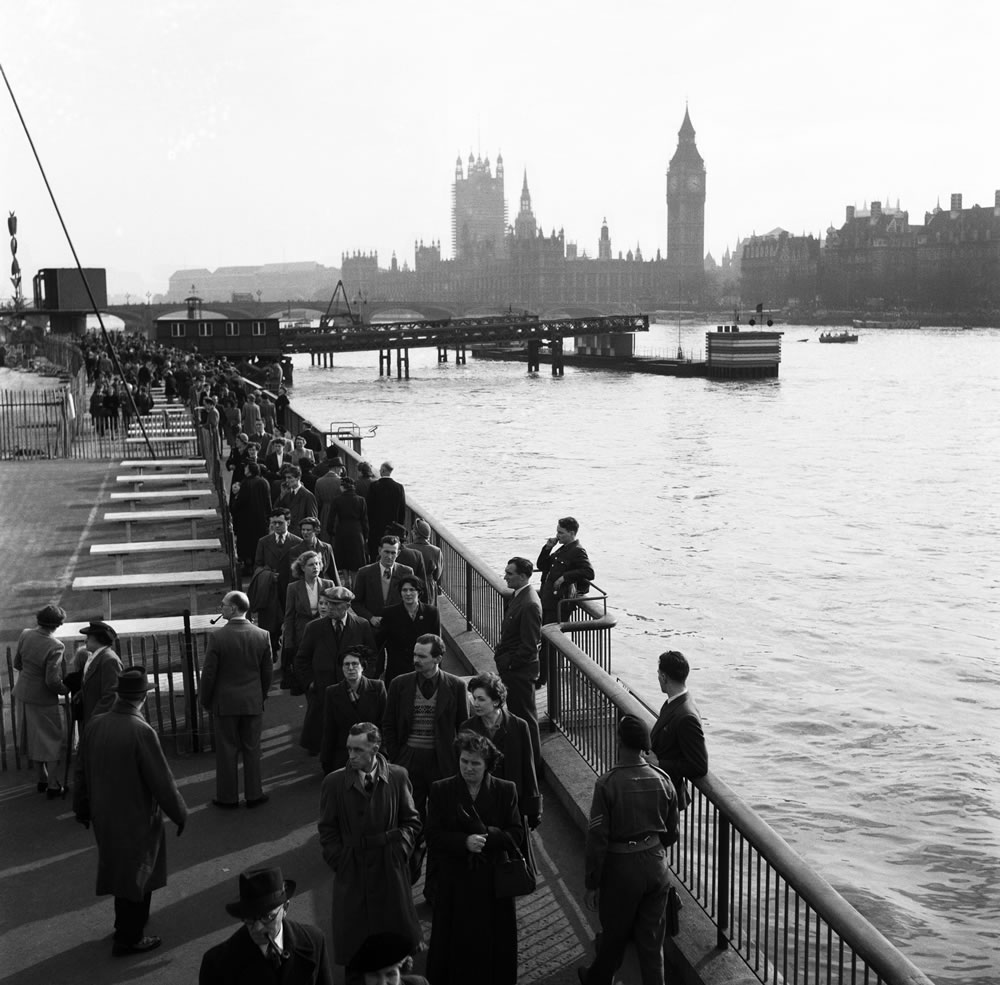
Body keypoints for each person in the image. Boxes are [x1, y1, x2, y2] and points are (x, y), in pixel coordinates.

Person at [73, 667, 188, 957]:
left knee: (118, 869)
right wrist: (180, 813)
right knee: (139, 873)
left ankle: (124, 923)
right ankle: (130, 936)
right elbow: (162, 781)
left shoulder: (95, 724)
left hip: (103, 814)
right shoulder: (140, 730)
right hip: (136, 816)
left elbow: (81, 772)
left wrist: (82, 807)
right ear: (143, 698)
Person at [578, 715, 679, 985]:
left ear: (618, 740)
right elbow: (672, 833)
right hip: (657, 866)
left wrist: (592, 882)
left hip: (621, 870)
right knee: (652, 943)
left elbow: (597, 838)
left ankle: (597, 980)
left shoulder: (608, 784)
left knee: (614, 934)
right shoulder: (663, 779)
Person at [318, 722, 422, 972]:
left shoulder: (398, 776)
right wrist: (340, 860)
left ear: (375, 748)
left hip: (390, 867)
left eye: (358, 750)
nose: (351, 756)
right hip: (353, 869)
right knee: (356, 937)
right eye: (349, 749)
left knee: (394, 932)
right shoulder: (334, 783)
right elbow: (327, 830)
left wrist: (400, 851)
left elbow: (412, 821)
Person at [425, 731, 522, 985]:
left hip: (493, 882)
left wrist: (487, 836)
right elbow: (432, 836)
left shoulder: (505, 790)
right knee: (455, 944)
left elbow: (516, 835)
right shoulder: (441, 790)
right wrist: (463, 842)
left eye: (475, 763)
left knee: (493, 946)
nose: (468, 768)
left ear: (487, 764)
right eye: (464, 761)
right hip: (455, 881)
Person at [382, 634, 470, 888]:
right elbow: (388, 723)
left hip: (442, 761)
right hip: (408, 759)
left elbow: (462, 728)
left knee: (443, 820)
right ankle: (410, 870)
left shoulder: (456, 686)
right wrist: (397, 756)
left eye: (422, 656)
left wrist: (457, 764)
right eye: (415, 654)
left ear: (438, 658)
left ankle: (438, 879)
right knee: (411, 818)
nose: (415, 660)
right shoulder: (400, 684)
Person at [199, 591, 273, 809]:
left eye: (223, 605)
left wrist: (205, 699)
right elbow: (266, 673)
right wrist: (261, 695)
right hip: (252, 701)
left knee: (226, 750)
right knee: (252, 749)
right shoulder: (262, 635)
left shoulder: (218, 637)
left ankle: (227, 797)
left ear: (233, 608)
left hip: (225, 703)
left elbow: (209, 673)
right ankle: (254, 793)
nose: (221, 608)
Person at [199, 866, 333, 985]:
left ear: (285, 908)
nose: (257, 928)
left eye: (267, 917)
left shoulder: (314, 941)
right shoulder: (217, 964)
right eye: (250, 919)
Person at [462, 673, 541, 872]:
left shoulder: (519, 726)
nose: (475, 703)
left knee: (509, 860)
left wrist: (533, 808)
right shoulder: (467, 728)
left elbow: (528, 768)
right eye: (473, 697)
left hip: (509, 804)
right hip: (477, 802)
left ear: (496, 701)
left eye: (481, 699)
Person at [295, 586, 376, 756]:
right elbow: (302, 659)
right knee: (324, 737)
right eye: (328, 604)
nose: (329, 608)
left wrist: (363, 681)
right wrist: (310, 683)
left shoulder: (361, 625)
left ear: (347, 607)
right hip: (322, 689)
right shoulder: (314, 628)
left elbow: (371, 657)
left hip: (352, 690)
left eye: (335, 605)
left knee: (350, 736)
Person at [493, 556, 543, 771]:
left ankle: (533, 767)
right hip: (515, 669)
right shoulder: (521, 596)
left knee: (526, 720)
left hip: (520, 673)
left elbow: (529, 645)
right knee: (520, 716)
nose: (505, 577)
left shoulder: (529, 603)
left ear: (523, 577)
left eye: (509, 573)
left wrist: (509, 664)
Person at [13, 604, 69, 797]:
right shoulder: (55, 645)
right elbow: (52, 680)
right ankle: (53, 785)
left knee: (33, 738)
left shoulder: (26, 634)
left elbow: (17, 663)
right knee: (51, 740)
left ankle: (42, 780)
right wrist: (65, 689)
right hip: (43, 698)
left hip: (23, 693)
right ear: (58, 624)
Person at [649, 649, 709, 811]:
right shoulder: (677, 702)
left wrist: (658, 763)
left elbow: (699, 766)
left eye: (658, 674)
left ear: (664, 677)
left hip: (666, 796)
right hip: (661, 791)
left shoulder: (686, 716)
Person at [320, 646, 387, 775]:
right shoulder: (332, 692)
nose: (350, 668)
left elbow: (385, 723)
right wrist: (326, 760)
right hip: (345, 756)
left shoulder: (378, 688)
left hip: (372, 754)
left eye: (355, 664)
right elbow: (329, 729)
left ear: (362, 667)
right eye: (346, 665)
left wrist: (383, 752)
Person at [282, 550, 337, 692]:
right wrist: (289, 642)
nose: (316, 567)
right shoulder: (293, 588)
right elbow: (289, 616)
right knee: (306, 669)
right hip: (303, 633)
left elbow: (335, 610)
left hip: (324, 632)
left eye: (318, 564)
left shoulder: (328, 584)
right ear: (302, 568)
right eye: (311, 564)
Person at [252, 508, 303, 658]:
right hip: (270, 589)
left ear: (288, 522)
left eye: (280, 523)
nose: (276, 526)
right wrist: (267, 575)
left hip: (289, 589)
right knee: (269, 624)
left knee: (289, 622)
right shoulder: (263, 542)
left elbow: (301, 567)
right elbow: (257, 565)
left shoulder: (297, 542)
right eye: (273, 523)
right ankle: (271, 654)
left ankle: (288, 656)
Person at [377, 575, 441, 687]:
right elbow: (379, 643)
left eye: (412, 590)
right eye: (404, 590)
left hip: (424, 670)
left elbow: (437, 645)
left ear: (419, 592)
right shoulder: (389, 614)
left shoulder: (431, 613)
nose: (408, 593)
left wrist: (437, 670)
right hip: (398, 672)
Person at [535, 516, 595, 625]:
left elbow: (589, 572)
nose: (557, 536)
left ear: (572, 533)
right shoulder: (562, 549)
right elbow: (542, 565)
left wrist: (565, 577)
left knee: (551, 636)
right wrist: (548, 548)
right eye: (557, 532)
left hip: (560, 603)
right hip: (549, 599)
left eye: (561, 533)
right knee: (544, 633)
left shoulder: (577, 550)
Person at [352, 536, 415, 638]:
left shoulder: (406, 572)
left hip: (398, 629)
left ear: (398, 553)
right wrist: (370, 618)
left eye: (393, 553)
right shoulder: (364, 573)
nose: (389, 556)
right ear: (380, 550)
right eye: (386, 552)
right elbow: (355, 602)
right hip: (373, 630)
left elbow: (411, 600)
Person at [72, 620, 123, 733]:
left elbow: (111, 696)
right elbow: (95, 682)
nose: (86, 640)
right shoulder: (98, 656)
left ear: (99, 640)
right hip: (93, 719)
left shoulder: (109, 660)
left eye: (89, 637)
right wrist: (82, 693)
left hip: (100, 723)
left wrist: (95, 719)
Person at [329, 476, 369, 588]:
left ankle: (346, 581)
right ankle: (355, 582)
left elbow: (331, 518)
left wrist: (331, 531)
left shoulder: (337, 500)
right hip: (357, 531)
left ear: (343, 487)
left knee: (343, 557)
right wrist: (365, 535)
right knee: (356, 559)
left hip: (342, 530)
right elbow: (365, 520)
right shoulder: (361, 500)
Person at [365, 462, 406, 560]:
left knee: (375, 554)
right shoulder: (399, 487)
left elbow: (368, 509)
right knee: (391, 556)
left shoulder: (374, 486)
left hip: (375, 528)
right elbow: (402, 511)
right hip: (393, 529)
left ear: (383, 470)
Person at [406, 519, 442, 602]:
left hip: (410, 585)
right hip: (429, 587)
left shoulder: (407, 548)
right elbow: (437, 576)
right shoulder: (436, 551)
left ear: (415, 533)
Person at [277, 466, 319, 533]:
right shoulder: (286, 494)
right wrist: (282, 495)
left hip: (300, 535)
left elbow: (312, 520)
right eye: (286, 478)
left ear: (298, 478)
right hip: (287, 534)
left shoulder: (308, 496)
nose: (287, 480)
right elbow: (276, 511)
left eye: (289, 477)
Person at [297, 516, 338, 583]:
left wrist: (339, 590)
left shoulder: (327, 547)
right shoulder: (296, 550)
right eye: (303, 530)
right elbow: (295, 575)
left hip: (324, 587)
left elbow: (333, 572)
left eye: (308, 530)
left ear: (315, 531)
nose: (305, 532)